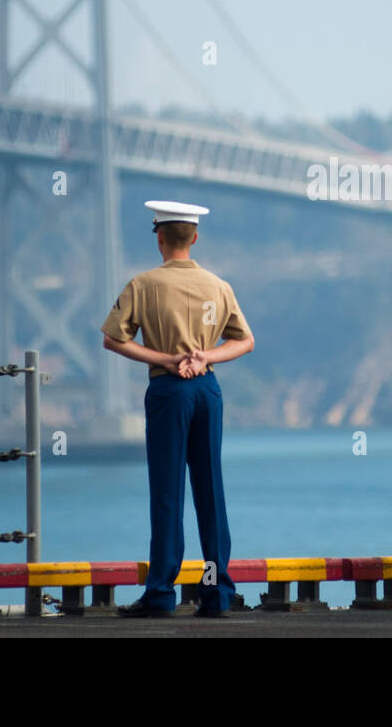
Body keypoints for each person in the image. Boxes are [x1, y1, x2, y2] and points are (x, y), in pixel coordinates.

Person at [102, 200, 254, 618]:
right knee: (211, 491)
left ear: (160, 237)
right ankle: (216, 593)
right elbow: (245, 341)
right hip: (207, 390)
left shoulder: (142, 284)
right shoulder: (219, 285)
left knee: (167, 494)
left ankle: (161, 595)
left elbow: (113, 339)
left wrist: (166, 358)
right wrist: (205, 357)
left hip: (168, 389)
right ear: (196, 237)